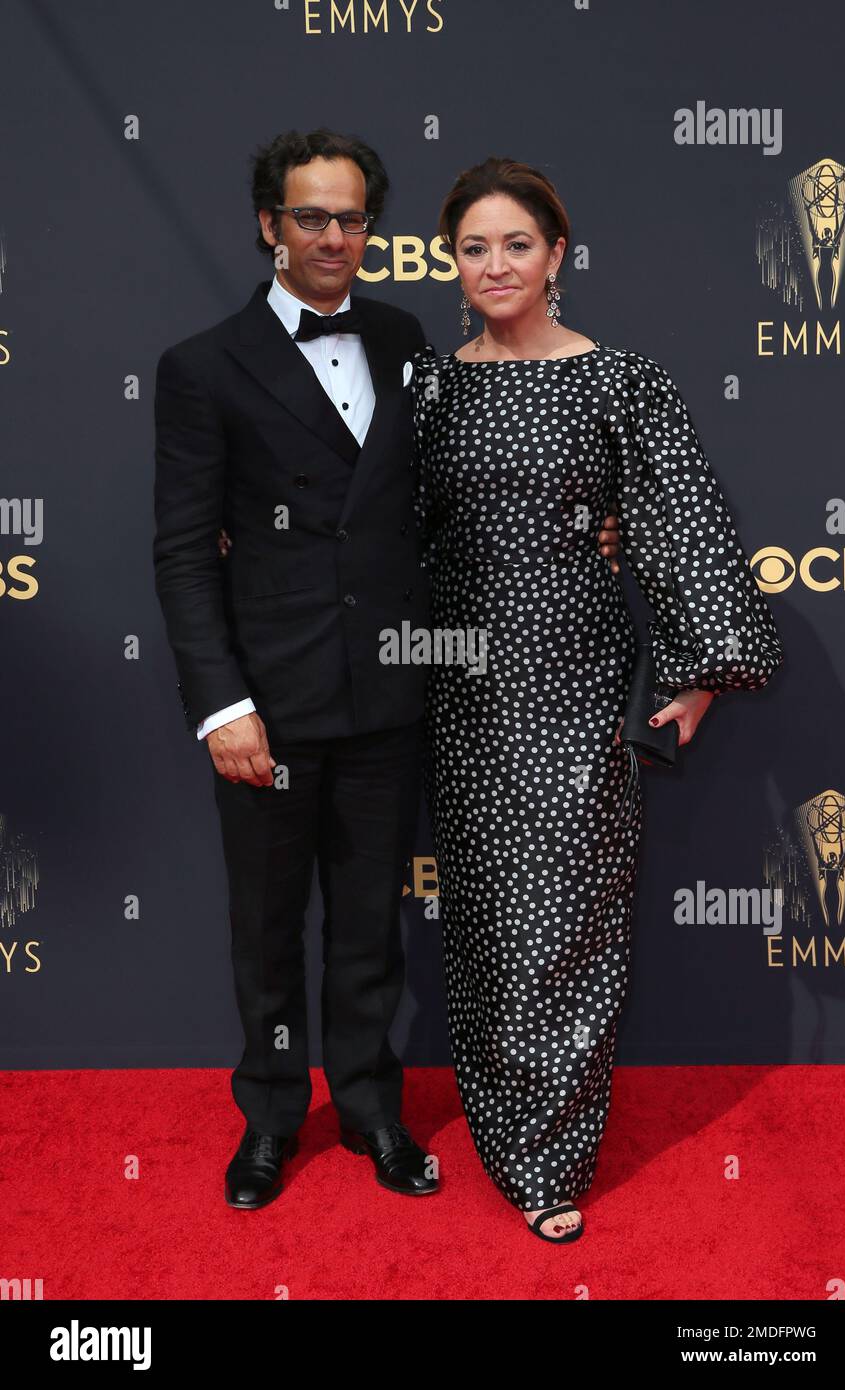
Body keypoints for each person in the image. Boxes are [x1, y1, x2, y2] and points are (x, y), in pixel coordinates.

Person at [152, 128, 624, 1211]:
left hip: (394, 695)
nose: (333, 236)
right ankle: (271, 1118)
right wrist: (221, 703)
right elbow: (182, 549)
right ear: (268, 224)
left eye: (352, 216)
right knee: (268, 931)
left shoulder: (410, 339)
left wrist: (586, 529)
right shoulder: (201, 366)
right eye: (310, 216)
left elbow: (456, 495)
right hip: (266, 705)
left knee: (368, 926)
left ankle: (369, 1107)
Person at [411, 156, 784, 1243]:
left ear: (556, 254)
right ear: (450, 261)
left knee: (569, 917)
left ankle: (548, 1157)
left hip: (576, 677)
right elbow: (387, 528)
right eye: (473, 247)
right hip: (459, 686)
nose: (494, 264)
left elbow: (678, 522)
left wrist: (697, 678)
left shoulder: (619, 379)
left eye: (515, 244)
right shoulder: (429, 386)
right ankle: (500, 1126)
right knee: (484, 921)